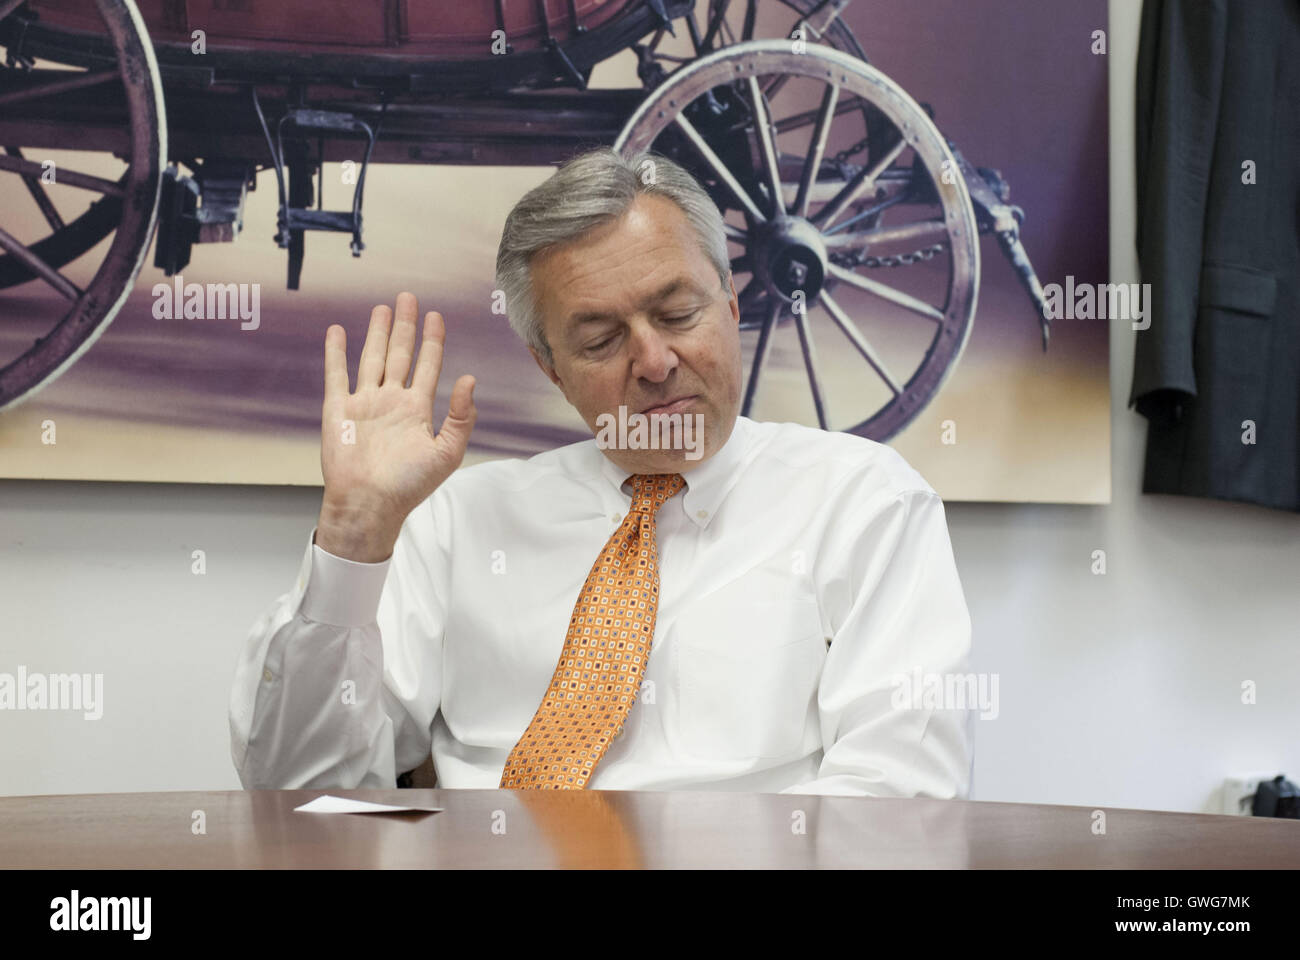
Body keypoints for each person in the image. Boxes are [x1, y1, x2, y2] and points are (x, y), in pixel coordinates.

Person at [229, 147, 973, 796]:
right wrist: (353, 536)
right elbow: (296, 790)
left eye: (678, 313)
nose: (652, 363)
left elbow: (898, 801)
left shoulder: (864, 504)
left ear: (732, 303)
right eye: (600, 339)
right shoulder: (455, 523)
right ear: (548, 367)